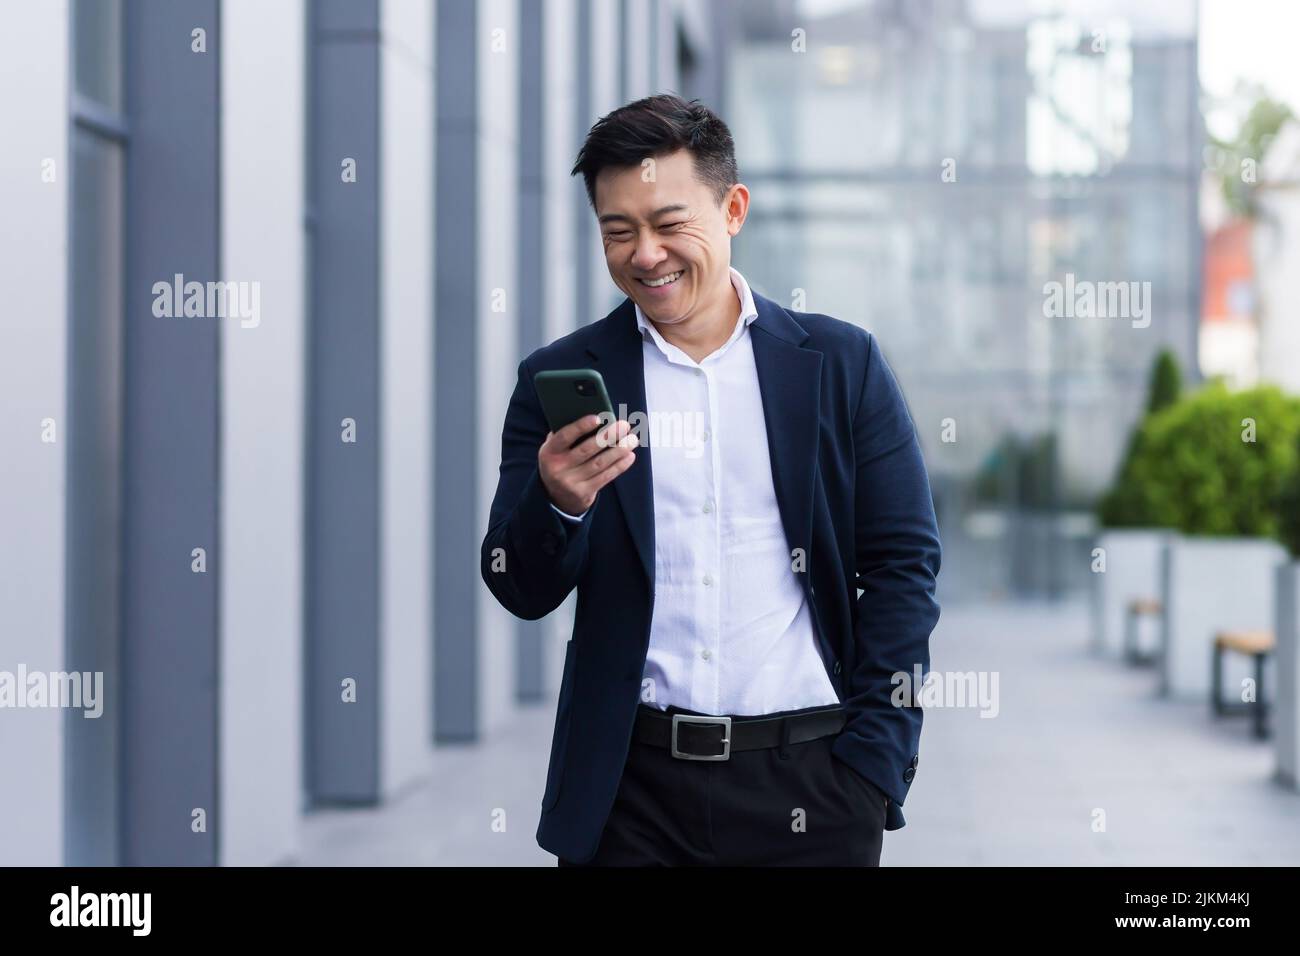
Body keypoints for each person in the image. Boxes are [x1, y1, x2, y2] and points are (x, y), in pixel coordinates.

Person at [480, 94, 941, 866]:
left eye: (668, 224)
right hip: (630, 798)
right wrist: (558, 503)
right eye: (617, 230)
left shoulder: (840, 366)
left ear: (733, 209)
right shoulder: (559, 378)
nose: (645, 254)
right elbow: (517, 586)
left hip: (813, 788)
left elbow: (902, 567)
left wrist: (875, 764)